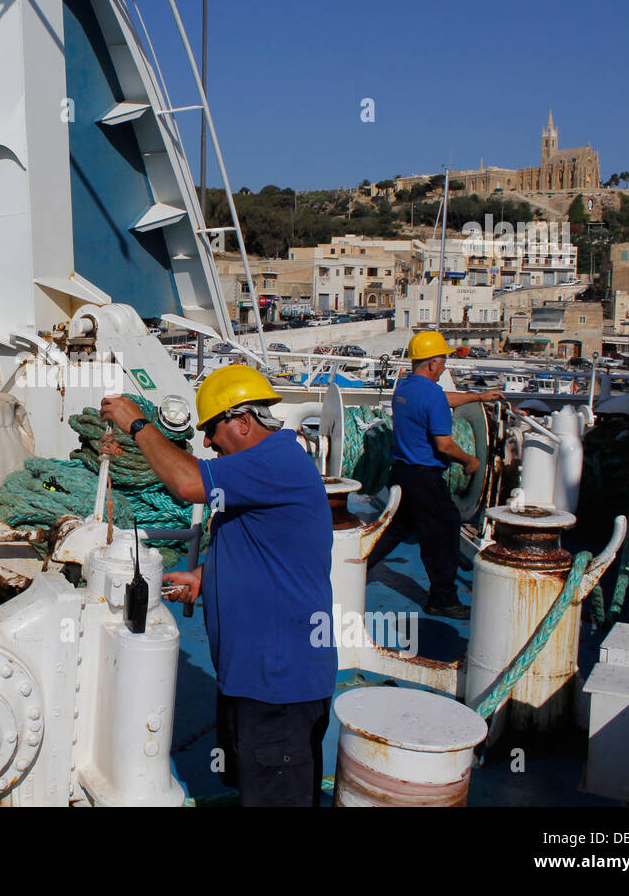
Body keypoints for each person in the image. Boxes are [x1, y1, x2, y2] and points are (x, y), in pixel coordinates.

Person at [100, 364, 334, 806]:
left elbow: (187, 483)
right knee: (256, 787)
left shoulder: (274, 460)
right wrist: (206, 579)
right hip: (252, 680)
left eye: (211, 429)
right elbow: (263, 542)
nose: (207, 442)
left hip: (278, 688)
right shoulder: (265, 466)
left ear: (244, 421)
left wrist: (136, 423)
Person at [365, 330, 505, 620]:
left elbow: (441, 399)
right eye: (442, 362)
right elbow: (445, 445)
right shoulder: (433, 395)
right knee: (444, 530)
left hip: (401, 474)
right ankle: (442, 599)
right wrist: (470, 461)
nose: (444, 368)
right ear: (432, 364)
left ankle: (355, 570)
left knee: (396, 529)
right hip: (425, 479)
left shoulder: (404, 388)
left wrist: (477, 395)